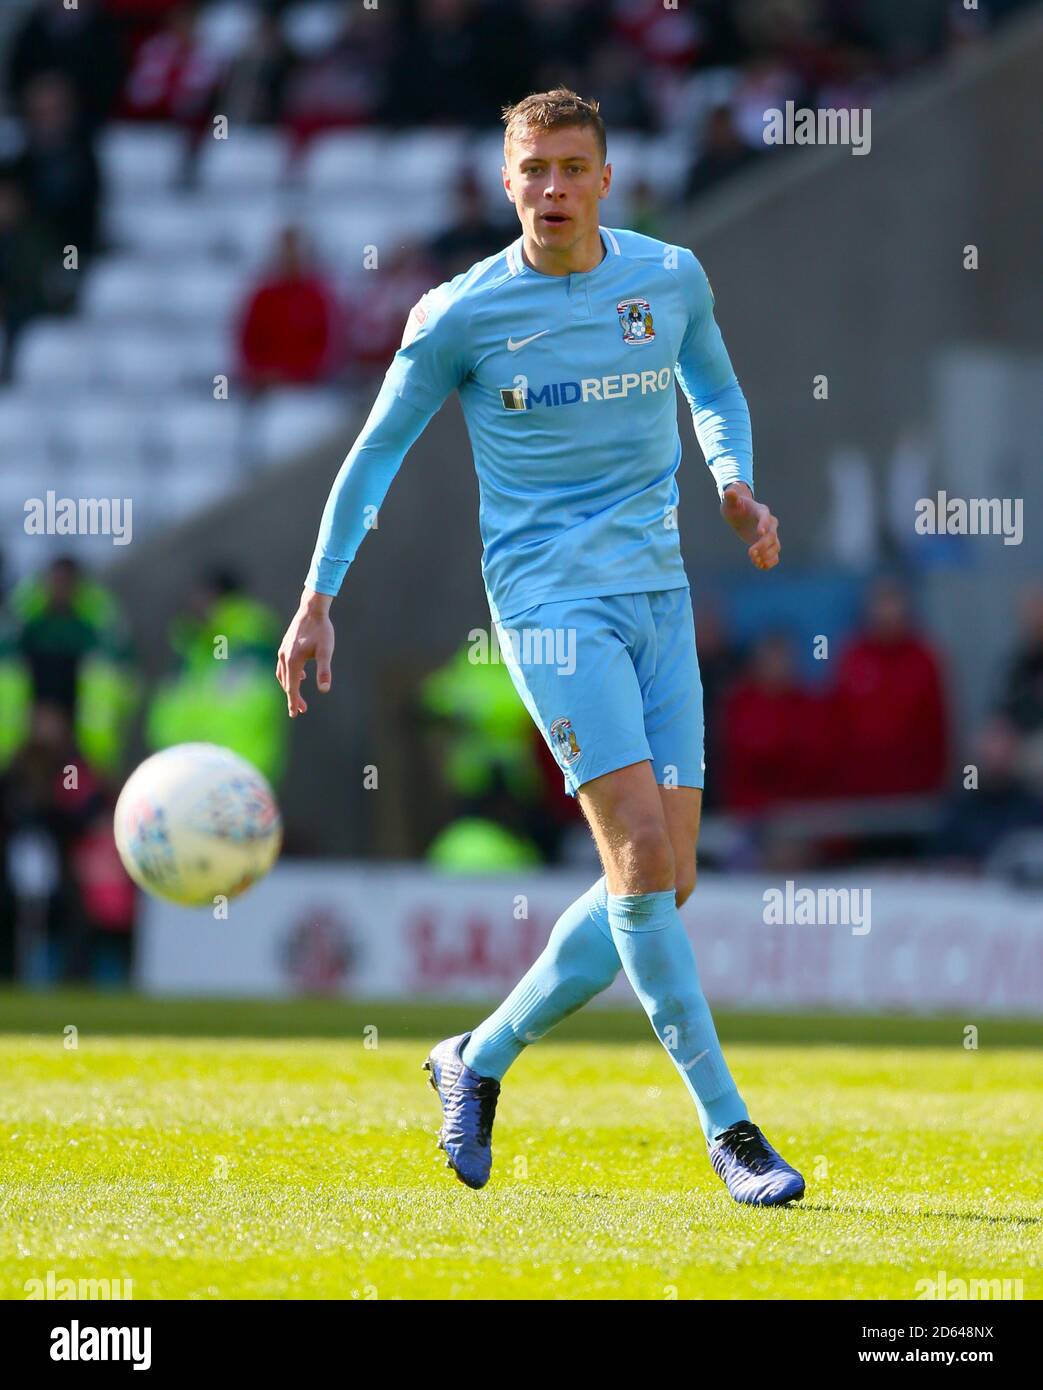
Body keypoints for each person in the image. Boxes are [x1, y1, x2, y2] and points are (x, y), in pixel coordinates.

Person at [276, 88, 802, 1207]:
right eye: (533, 170)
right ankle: (732, 1132)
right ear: (506, 181)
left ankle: (475, 1055)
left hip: (658, 601)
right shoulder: (458, 315)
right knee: (642, 866)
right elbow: (371, 460)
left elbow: (711, 381)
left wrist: (732, 482)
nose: (553, 188)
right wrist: (318, 598)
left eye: (572, 167)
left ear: (606, 178)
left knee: (664, 877)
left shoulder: (667, 279)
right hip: (551, 611)